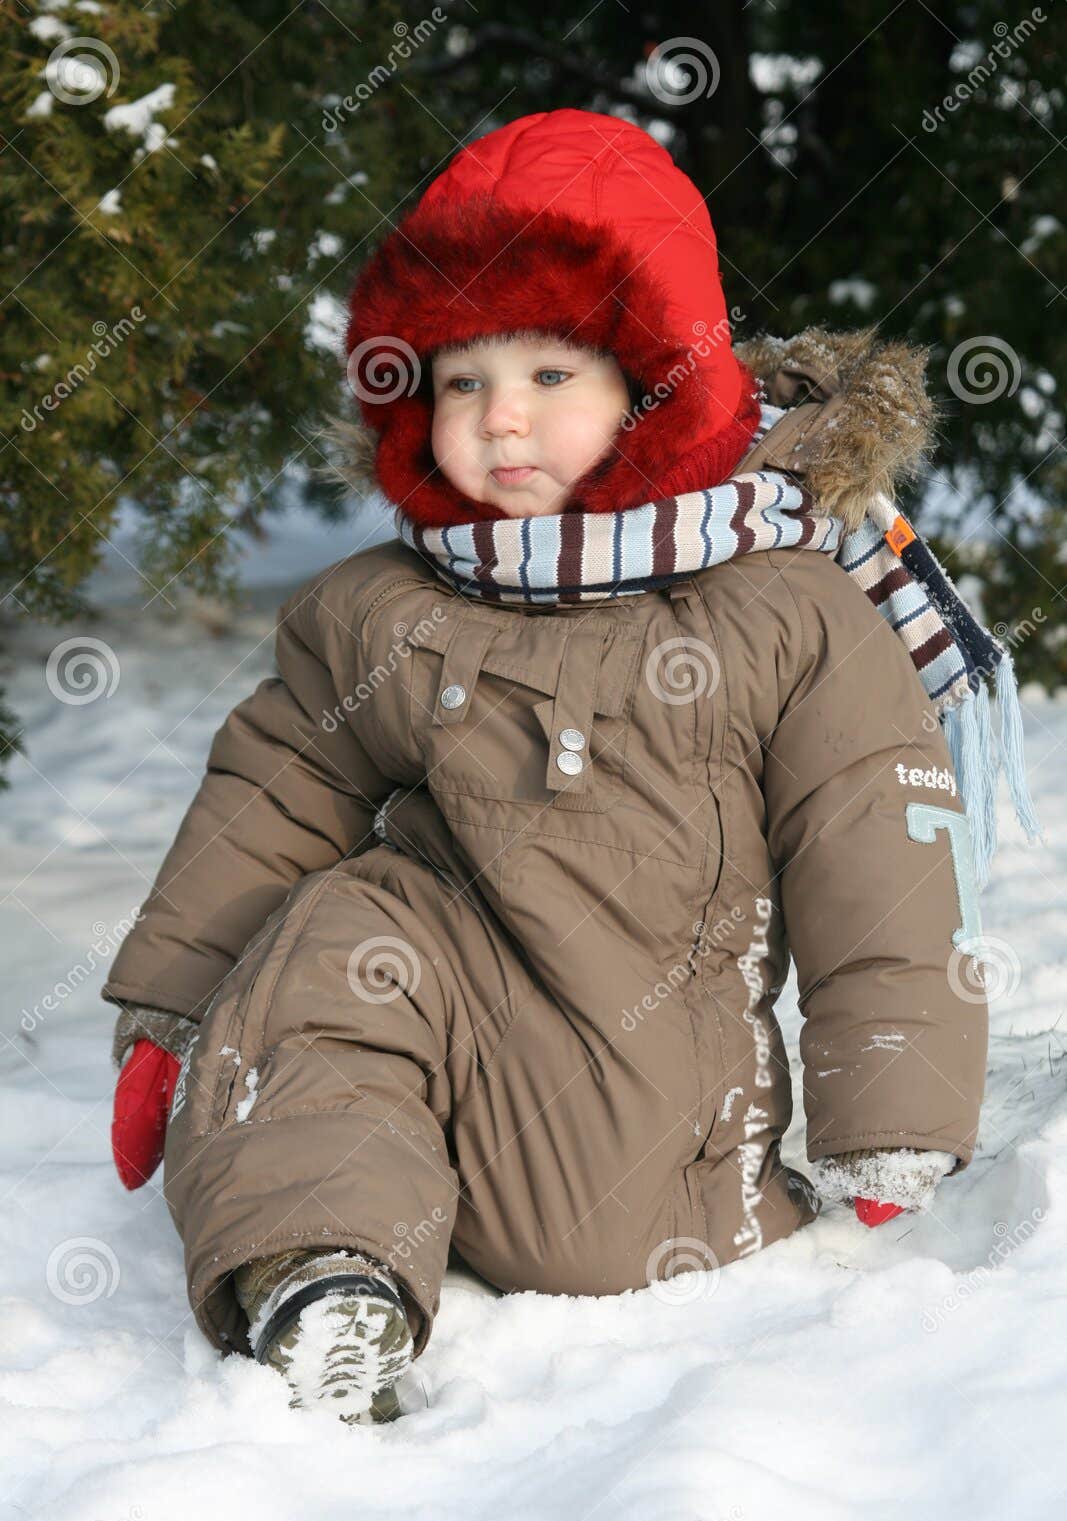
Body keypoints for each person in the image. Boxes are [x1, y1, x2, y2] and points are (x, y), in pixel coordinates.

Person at [104, 109, 1035, 1427]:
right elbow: (274, 797)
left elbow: (876, 845)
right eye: (462, 381)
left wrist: (891, 1106)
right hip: (441, 1046)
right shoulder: (388, 608)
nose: (502, 420)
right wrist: (172, 1006)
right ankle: (328, 1274)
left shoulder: (784, 607)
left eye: (551, 373)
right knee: (345, 943)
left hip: (666, 1141)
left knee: (369, 948)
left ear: (661, 385)